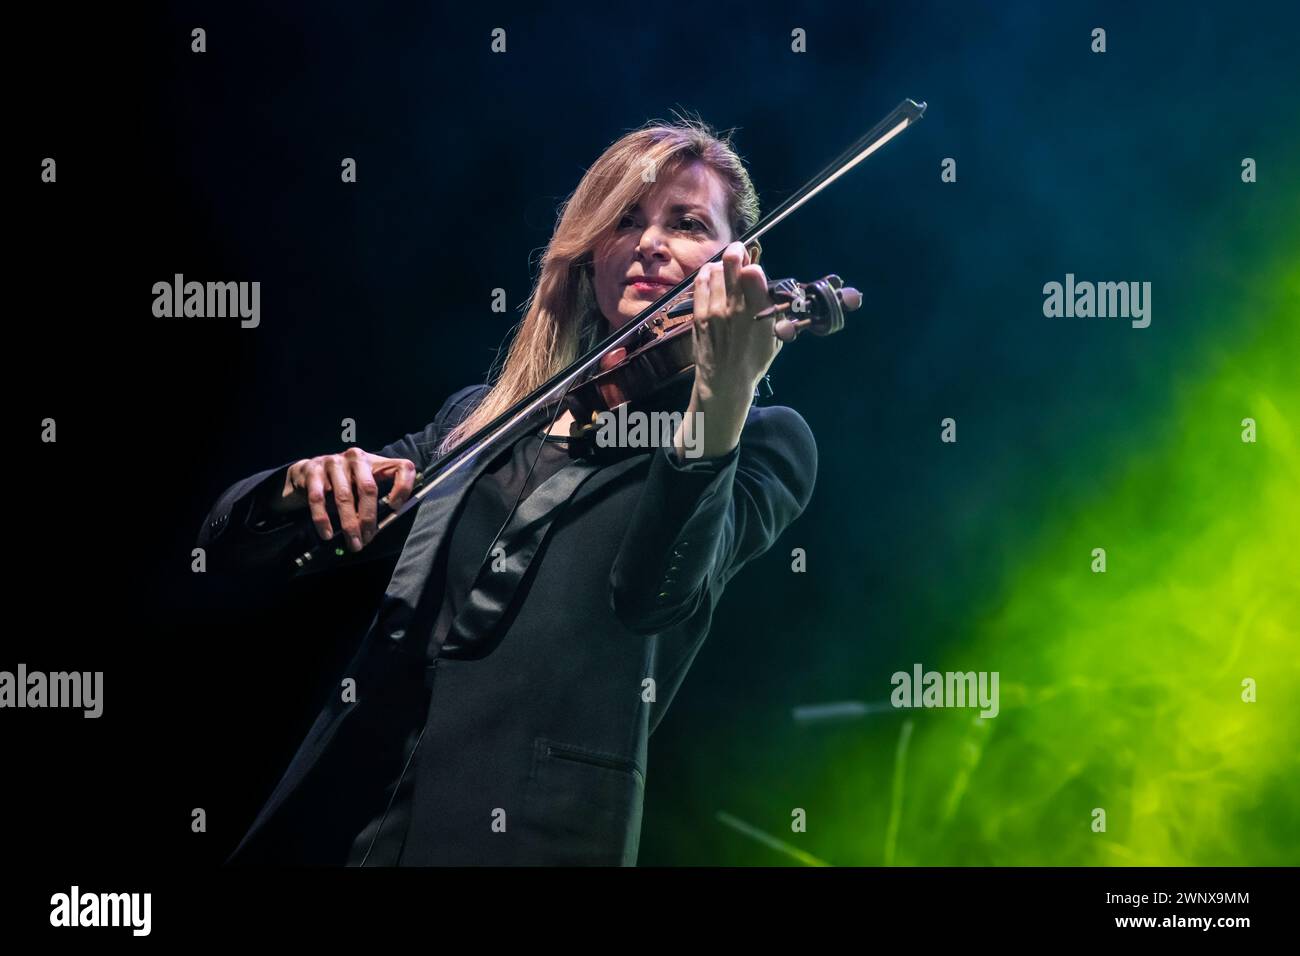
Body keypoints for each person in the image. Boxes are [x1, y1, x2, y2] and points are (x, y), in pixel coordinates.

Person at [197, 116, 818, 866]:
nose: (650, 242)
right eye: (625, 220)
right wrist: (296, 489)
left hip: (525, 836)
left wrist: (721, 400)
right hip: (347, 818)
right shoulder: (481, 421)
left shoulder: (762, 443)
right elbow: (230, 549)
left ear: (737, 259)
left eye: (686, 224)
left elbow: (654, 594)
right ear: (590, 252)